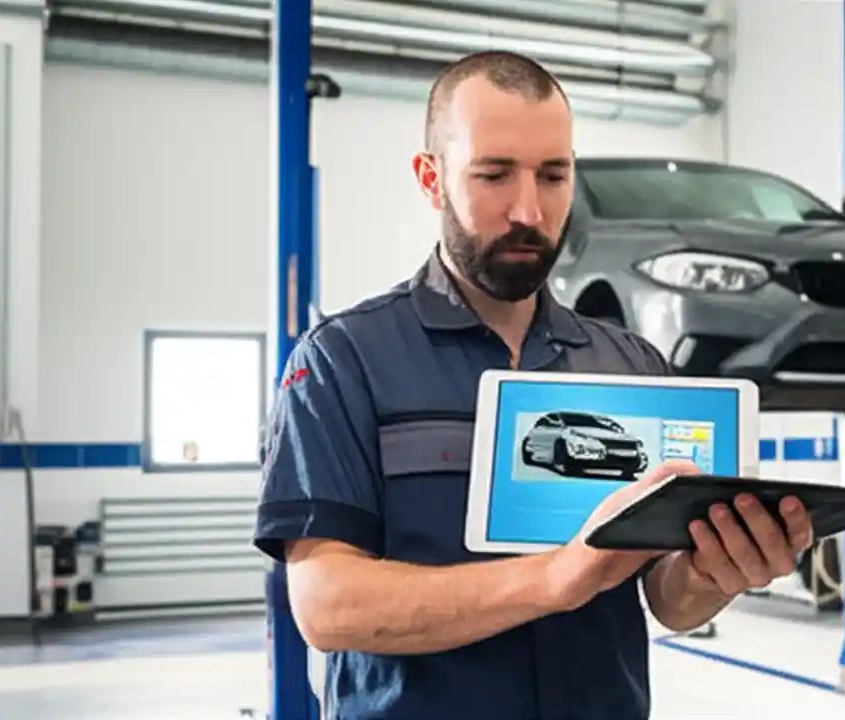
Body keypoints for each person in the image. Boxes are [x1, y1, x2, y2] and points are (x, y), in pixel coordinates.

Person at [252, 50, 814, 719]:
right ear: (431, 179)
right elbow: (327, 606)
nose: (529, 209)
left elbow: (669, 599)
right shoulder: (345, 361)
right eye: (493, 175)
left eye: (554, 175)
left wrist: (722, 569)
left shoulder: (633, 367)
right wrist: (553, 579)